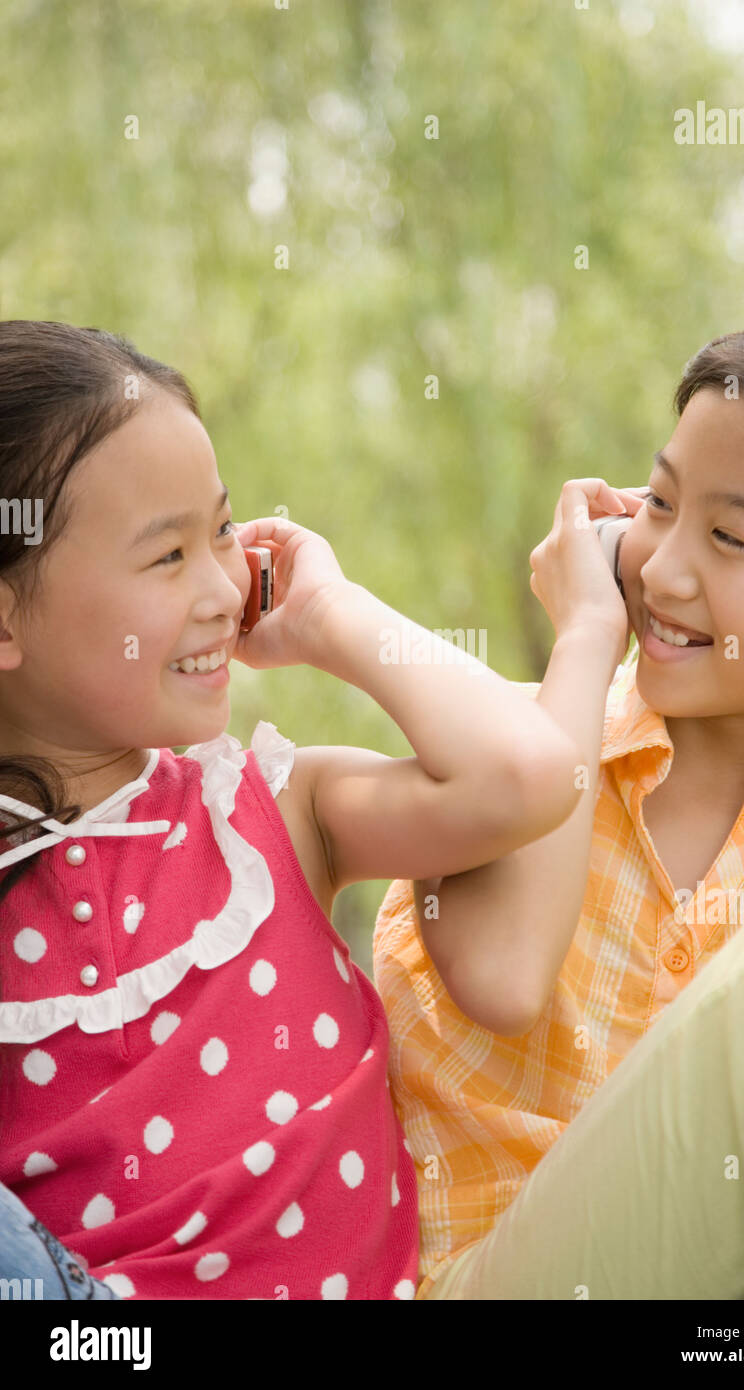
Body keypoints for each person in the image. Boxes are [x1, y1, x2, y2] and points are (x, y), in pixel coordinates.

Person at [0, 319, 586, 1300]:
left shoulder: (271, 811)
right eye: (166, 557)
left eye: (222, 532)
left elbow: (527, 774)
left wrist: (331, 617)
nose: (224, 587)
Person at [373, 312, 744, 1299]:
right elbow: (505, 977)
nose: (662, 566)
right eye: (657, 503)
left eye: (728, 537)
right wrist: (585, 635)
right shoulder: (496, 741)